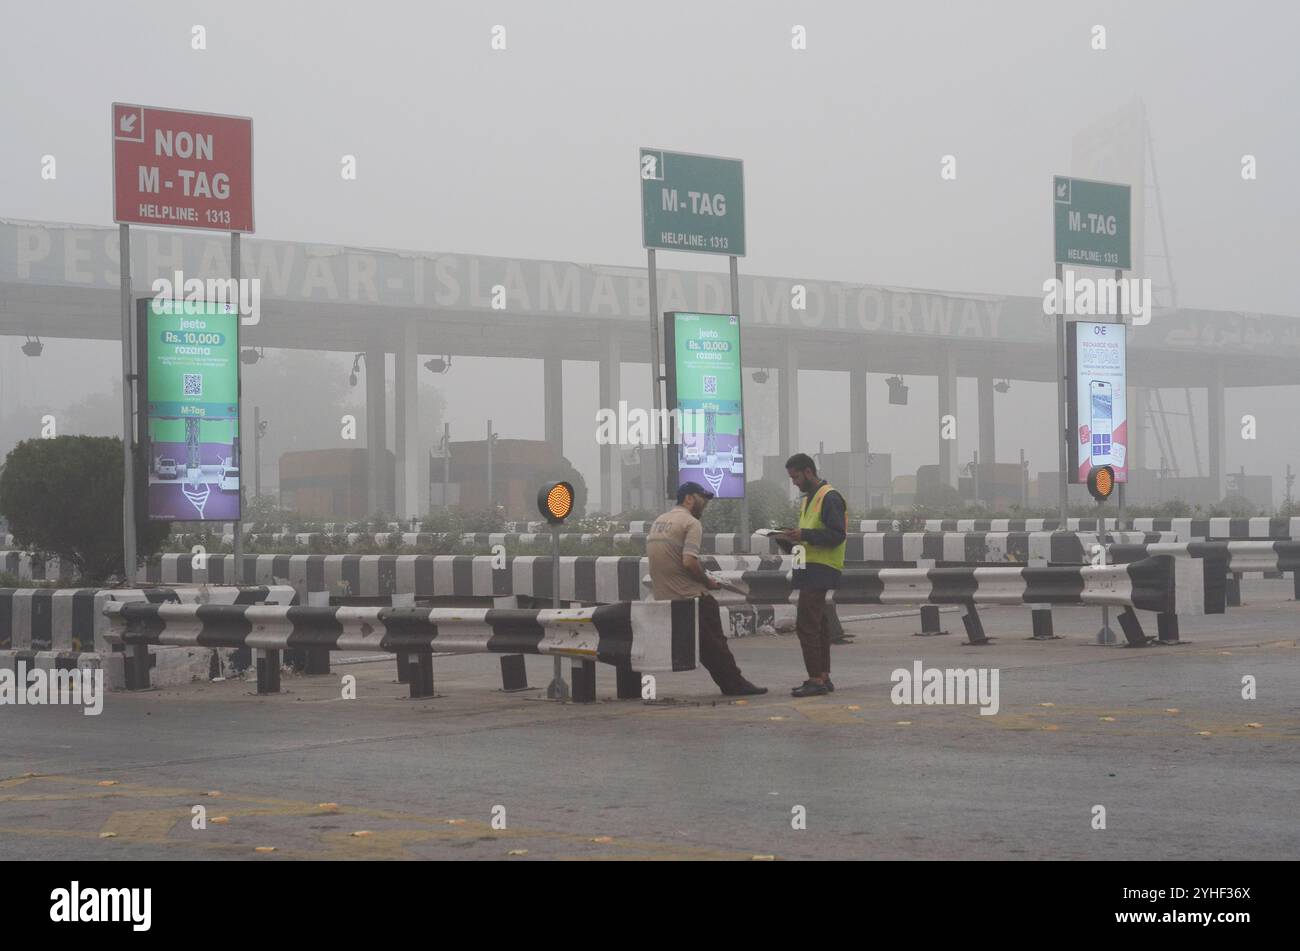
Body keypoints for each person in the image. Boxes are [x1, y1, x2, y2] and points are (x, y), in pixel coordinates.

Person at [647, 482, 767, 697]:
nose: (705, 504)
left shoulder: (660, 521)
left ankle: (730, 683)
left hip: (664, 596)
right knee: (716, 644)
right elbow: (689, 563)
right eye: (703, 499)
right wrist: (707, 581)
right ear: (689, 498)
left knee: (707, 645)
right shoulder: (691, 523)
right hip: (690, 596)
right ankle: (735, 684)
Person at [772, 453, 846, 697]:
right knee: (819, 625)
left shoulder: (829, 497)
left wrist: (803, 535)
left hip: (822, 569)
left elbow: (837, 535)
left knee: (807, 625)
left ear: (808, 472)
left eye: (795, 477)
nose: (793, 482)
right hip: (809, 567)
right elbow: (807, 538)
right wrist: (787, 538)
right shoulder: (808, 500)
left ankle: (815, 679)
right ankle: (823, 677)